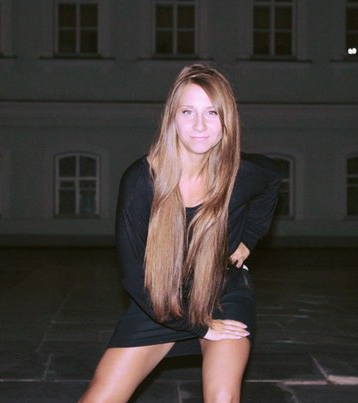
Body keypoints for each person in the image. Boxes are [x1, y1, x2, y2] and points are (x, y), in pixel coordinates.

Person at [79, 63, 281, 403]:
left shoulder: (241, 174)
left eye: (212, 112)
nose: (200, 125)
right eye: (188, 112)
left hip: (222, 294)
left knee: (222, 397)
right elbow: (134, 279)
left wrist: (249, 238)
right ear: (172, 118)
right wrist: (199, 327)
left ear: (227, 121)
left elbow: (272, 179)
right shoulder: (142, 181)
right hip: (159, 301)